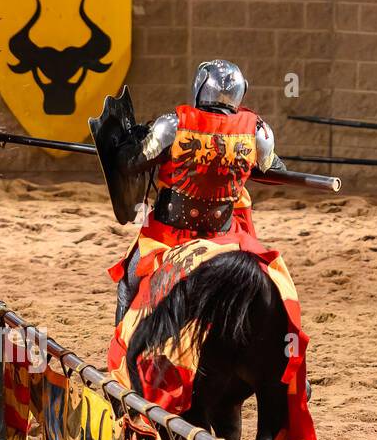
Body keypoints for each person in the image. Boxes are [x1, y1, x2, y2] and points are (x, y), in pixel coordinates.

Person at [109, 59, 284, 323]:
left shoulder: (173, 126)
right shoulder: (257, 132)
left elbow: (129, 163)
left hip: (170, 234)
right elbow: (275, 171)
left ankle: (122, 351)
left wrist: (134, 137)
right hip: (223, 235)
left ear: (200, 87)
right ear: (241, 92)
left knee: (128, 283)